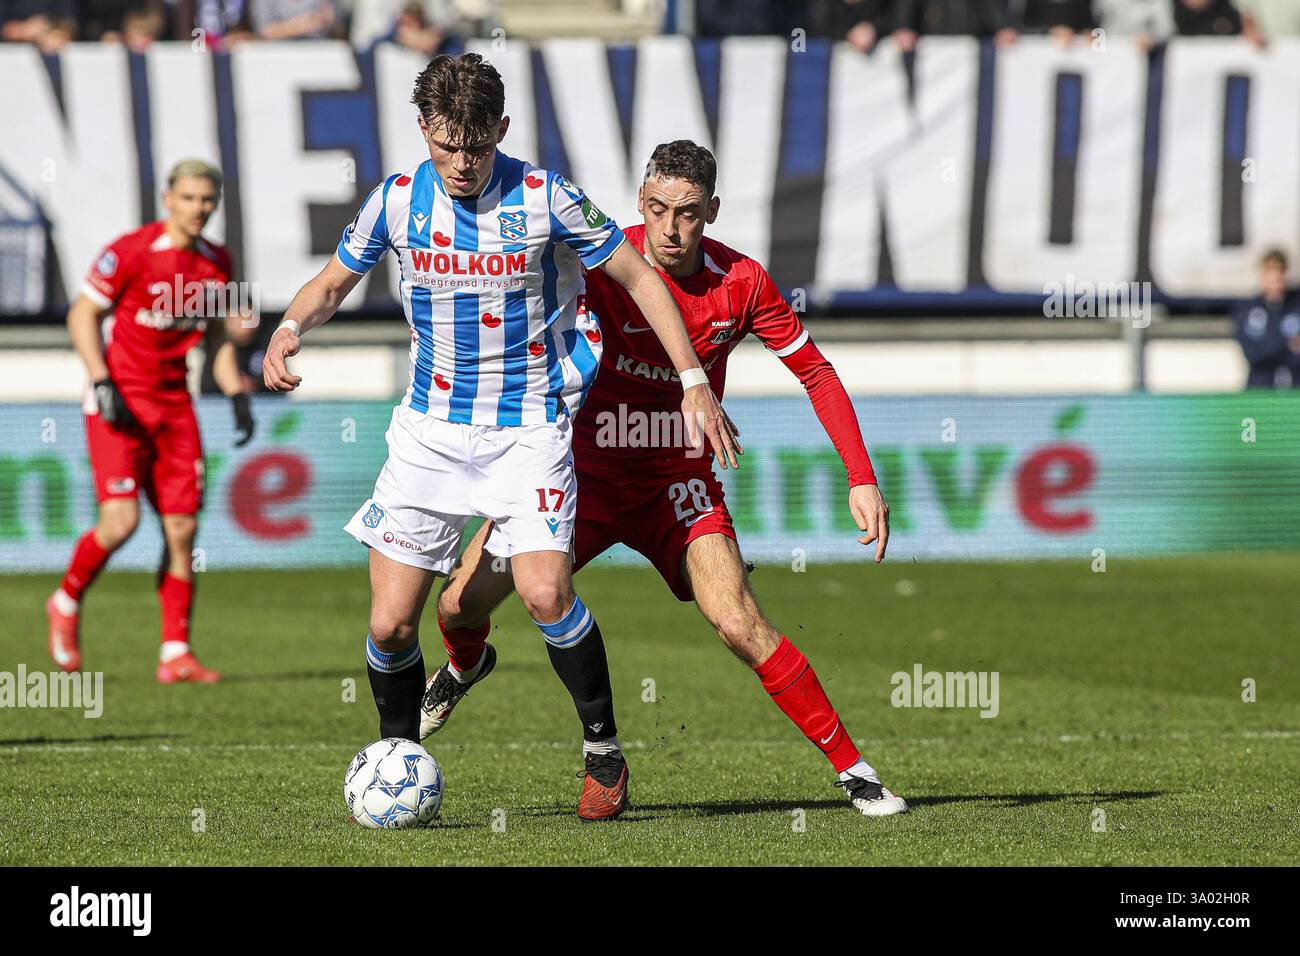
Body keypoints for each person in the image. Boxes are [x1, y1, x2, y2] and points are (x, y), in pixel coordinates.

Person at [261, 56, 738, 798]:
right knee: (390, 625)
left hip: (530, 429)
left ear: (502, 131)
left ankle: (604, 753)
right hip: (429, 431)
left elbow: (640, 277)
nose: (461, 163)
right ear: (423, 130)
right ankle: (399, 761)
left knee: (546, 593)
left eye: (477, 147)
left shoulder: (549, 198)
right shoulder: (393, 201)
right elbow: (331, 283)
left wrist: (693, 379)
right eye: (447, 145)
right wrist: (290, 328)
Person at [427, 140, 907, 821]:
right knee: (455, 608)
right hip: (578, 476)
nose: (670, 229)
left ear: (711, 210)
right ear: (639, 205)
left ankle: (855, 772)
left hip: (675, 484)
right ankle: (466, 663)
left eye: (687, 213)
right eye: (656, 210)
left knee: (740, 624)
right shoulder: (600, 258)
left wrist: (861, 476)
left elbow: (816, 374)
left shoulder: (741, 283)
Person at [47, 159, 256, 682]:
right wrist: (99, 379)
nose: (198, 208)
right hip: (120, 401)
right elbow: (82, 314)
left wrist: (236, 392)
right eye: (188, 198)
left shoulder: (217, 263)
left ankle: (174, 653)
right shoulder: (132, 252)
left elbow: (218, 342)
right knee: (121, 523)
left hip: (175, 406)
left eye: (207, 200)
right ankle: (66, 601)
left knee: (183, 529)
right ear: (168, 199)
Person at [1234, 249, 1300, 388]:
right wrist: (1287, 346)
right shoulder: (1248, 309)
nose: (1276, 280)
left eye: (1280, 273)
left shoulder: (1296, 304)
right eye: (1270, 274)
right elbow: (1253, 354)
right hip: (1260, 388)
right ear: (1262, 275)